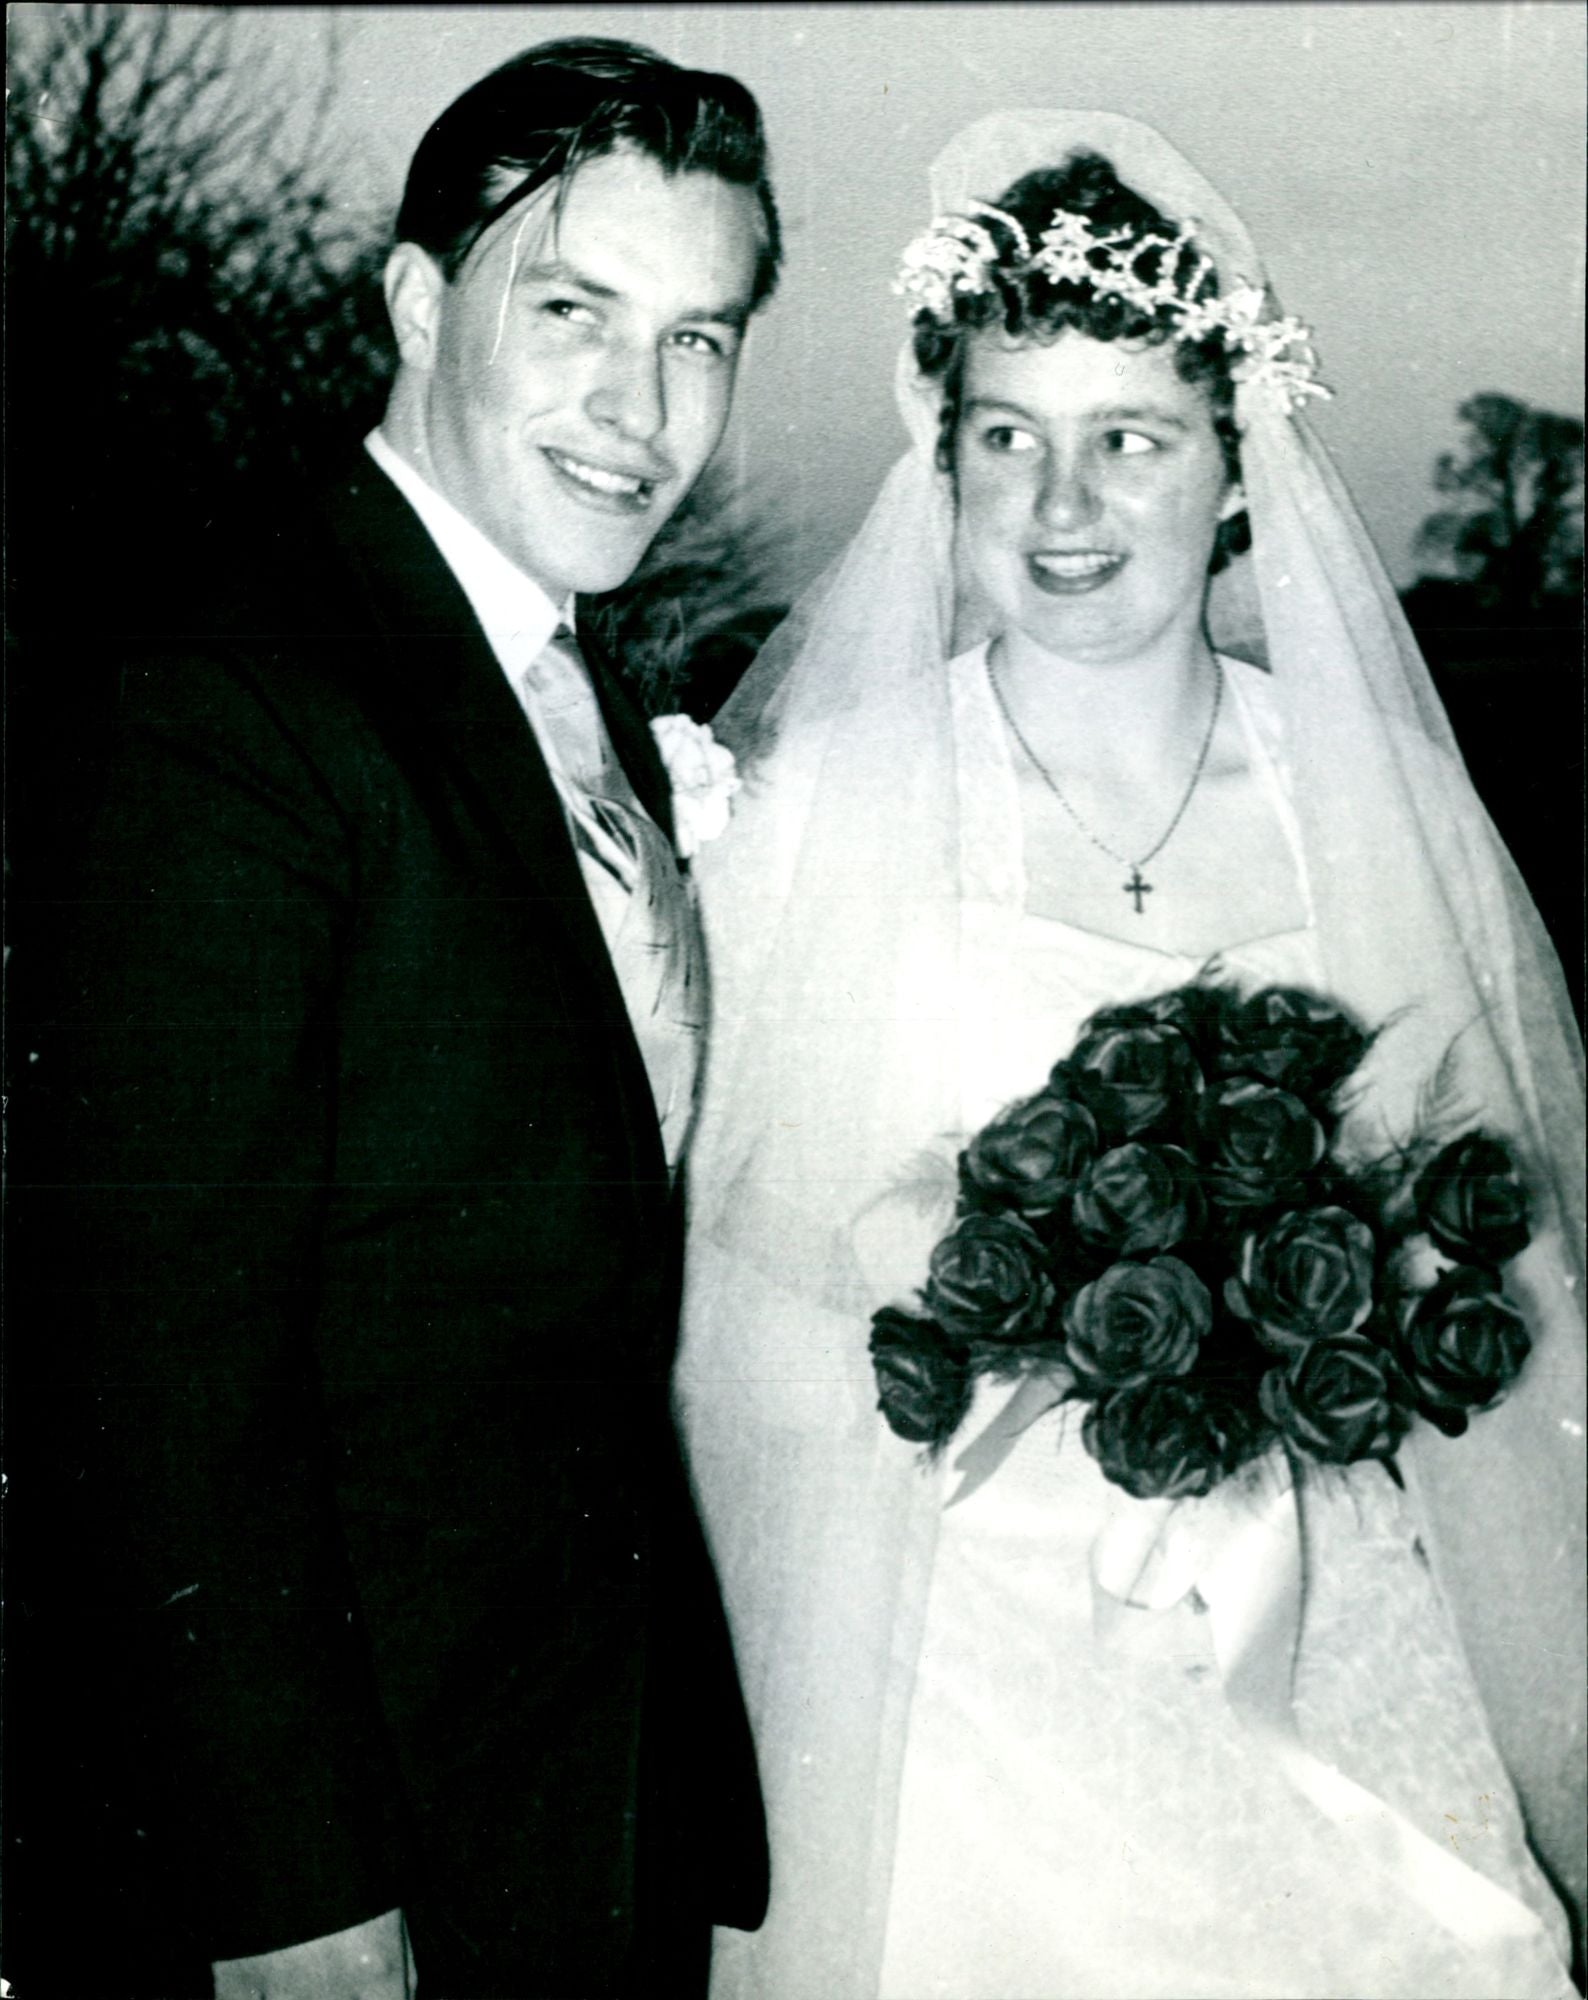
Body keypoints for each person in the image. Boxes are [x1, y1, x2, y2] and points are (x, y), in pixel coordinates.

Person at [678, 112, 1585, 1999]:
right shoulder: (827, 806)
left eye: (1132, 440)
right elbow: (718, 1300)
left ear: (1237, 473)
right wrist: (932, 1281)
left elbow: (1515, 1263)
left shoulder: (1377, 803)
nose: (1063, 507)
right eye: (1008, 435)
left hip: (1334, 1635)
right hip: (959, 1686)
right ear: (943, 461)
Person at [5, 37, 779, 2000]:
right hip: (361, 1858)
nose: (641, 407)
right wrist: (291, 1899)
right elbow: (151, 1369)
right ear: (419, 302)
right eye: (573, 312)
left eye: (699, 337)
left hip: (577, 1813)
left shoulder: (555, 677)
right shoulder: (238, 703)